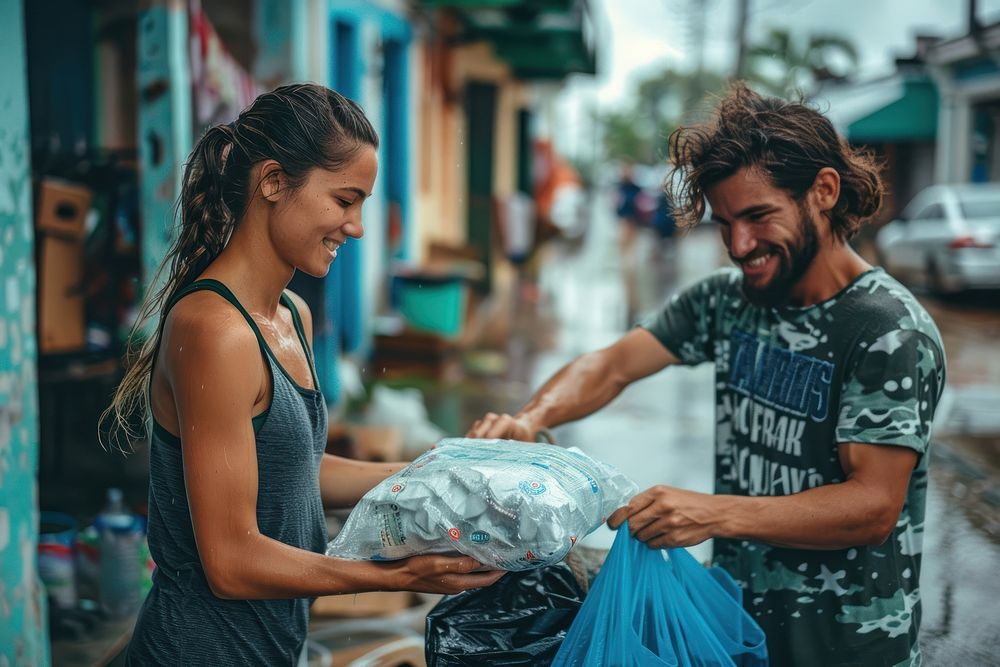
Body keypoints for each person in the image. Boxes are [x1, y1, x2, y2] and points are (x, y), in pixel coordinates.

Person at [468, 83, 946, 666]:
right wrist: (531, 418)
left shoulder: (886, 328)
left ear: (823, 191)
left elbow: (872, 506)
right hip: (733, 624)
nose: (739, 246)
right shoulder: (731, 301)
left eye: (758, 217)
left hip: (846, 644)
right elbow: (612, 365)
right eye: (724, 224)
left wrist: (711, 511)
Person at [101, 84, 502, 665]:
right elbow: (232, 563)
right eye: (345, 200)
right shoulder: (214, 329)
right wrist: (396, 576)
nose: (357, 226)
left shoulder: (293, 314)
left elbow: (296, 470)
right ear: (271, 183)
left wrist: (436, 471)